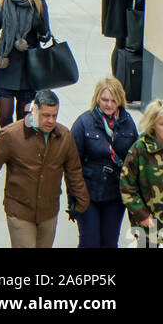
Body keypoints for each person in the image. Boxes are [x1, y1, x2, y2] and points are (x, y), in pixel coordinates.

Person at [0, 89, 89, 247]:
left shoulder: (64, 137)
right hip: (20, 211)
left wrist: (81, 203)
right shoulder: (11, 136)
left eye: (54, 115)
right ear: (34, 111)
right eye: (46, 115)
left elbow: (74, 172)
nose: (51, 121)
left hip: (48, 212)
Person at [71, 77, 138, 249]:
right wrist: (74, 198)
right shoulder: (83, 123)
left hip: (114, 194)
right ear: (97, 99)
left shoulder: (128, 124)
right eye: (105, 100)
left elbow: (134, 162)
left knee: (109, 243)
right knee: (90, 243)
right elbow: (72, 164)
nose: (109, 104)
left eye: (113, 100)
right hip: (88, 193)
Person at [0, 0, 51, 128]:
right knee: (4, 116)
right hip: (5, 61)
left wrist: (40, 26)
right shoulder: (2, 0)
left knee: (23, 117)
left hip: (27, 65)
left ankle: (20, 150)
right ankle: (7, 147)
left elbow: (45, 35)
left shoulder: (38, 3)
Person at [119, 98, 163, 248]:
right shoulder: (139, 149)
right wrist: (142, 215)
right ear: (152, 124)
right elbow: (126, 186)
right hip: (148, 225)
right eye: (162, 124)